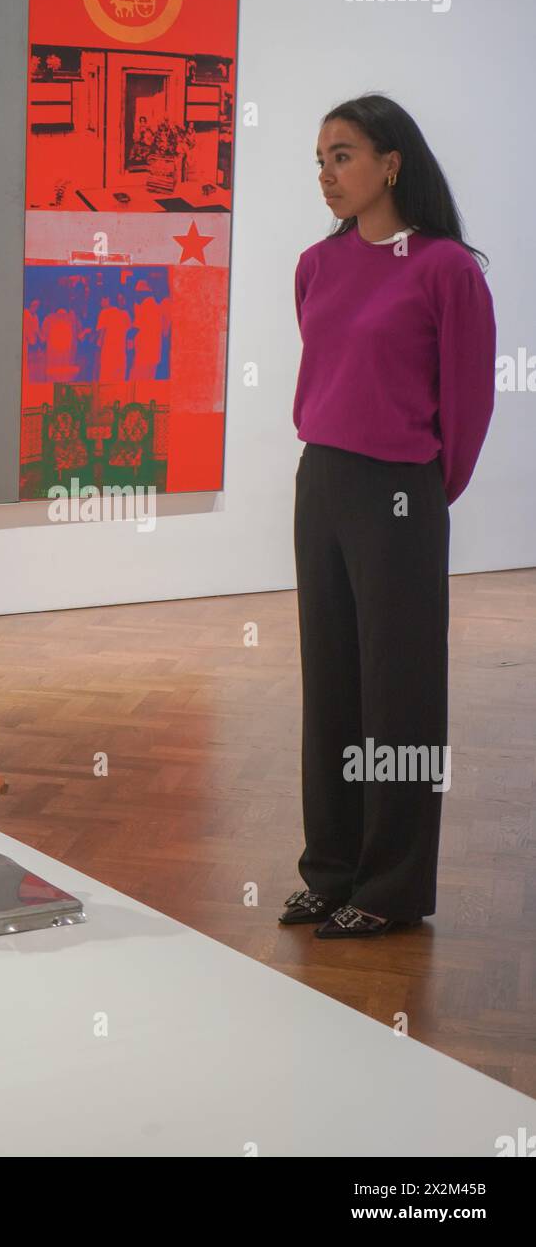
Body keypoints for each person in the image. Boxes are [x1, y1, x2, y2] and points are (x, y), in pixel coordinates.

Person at [281, 94, 496, 939]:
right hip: (321, 481)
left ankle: (392, 883)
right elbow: (326, 369)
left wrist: (423, 495)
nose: (327, 175)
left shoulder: (445, 267)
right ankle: (330, 870)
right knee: (330, 682)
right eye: (321, 161)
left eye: (343, 156)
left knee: (398, 692)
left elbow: (468, 403)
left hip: (401, 492)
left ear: (390, 163)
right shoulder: (315, 264)